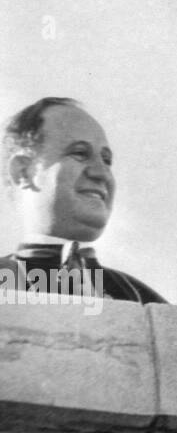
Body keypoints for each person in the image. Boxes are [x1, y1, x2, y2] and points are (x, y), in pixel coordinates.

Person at [1, 97, 166, 305]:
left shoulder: (140, 298)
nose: (102, 174)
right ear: (24, 172)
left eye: (107, 160)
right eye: (79, 153)